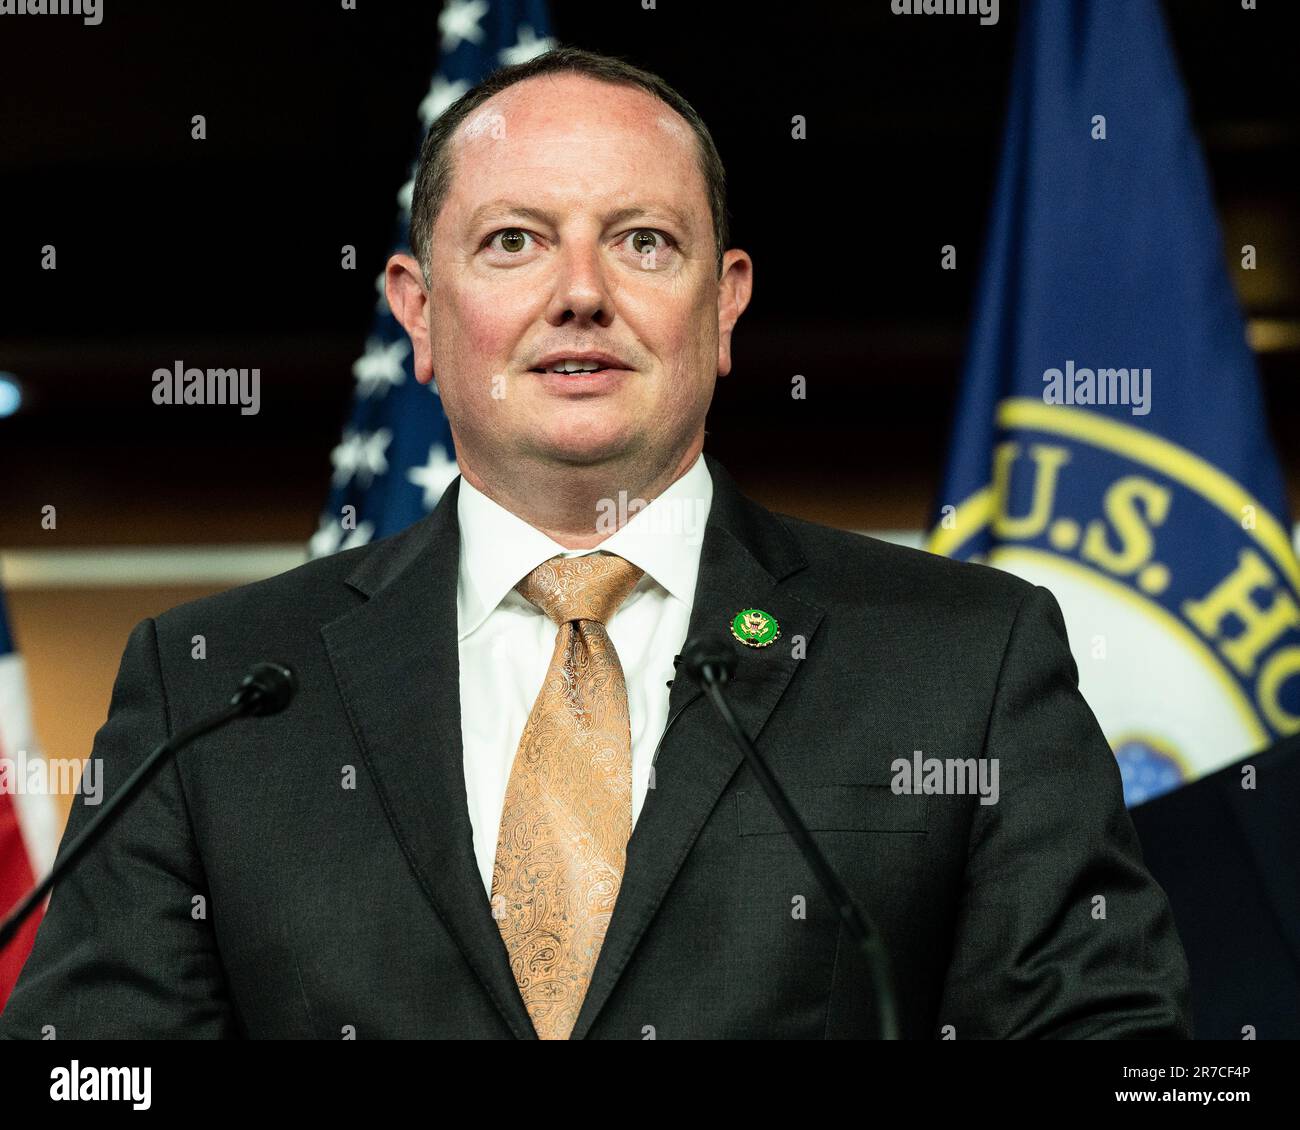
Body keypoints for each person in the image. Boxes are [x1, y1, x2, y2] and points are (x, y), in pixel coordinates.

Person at [0, 47, 1190, 1039]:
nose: (580, 293)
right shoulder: (217, 685)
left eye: (642, 242)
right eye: (514, 241)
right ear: (418, 310)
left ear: (724, 305)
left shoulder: (963, 659)